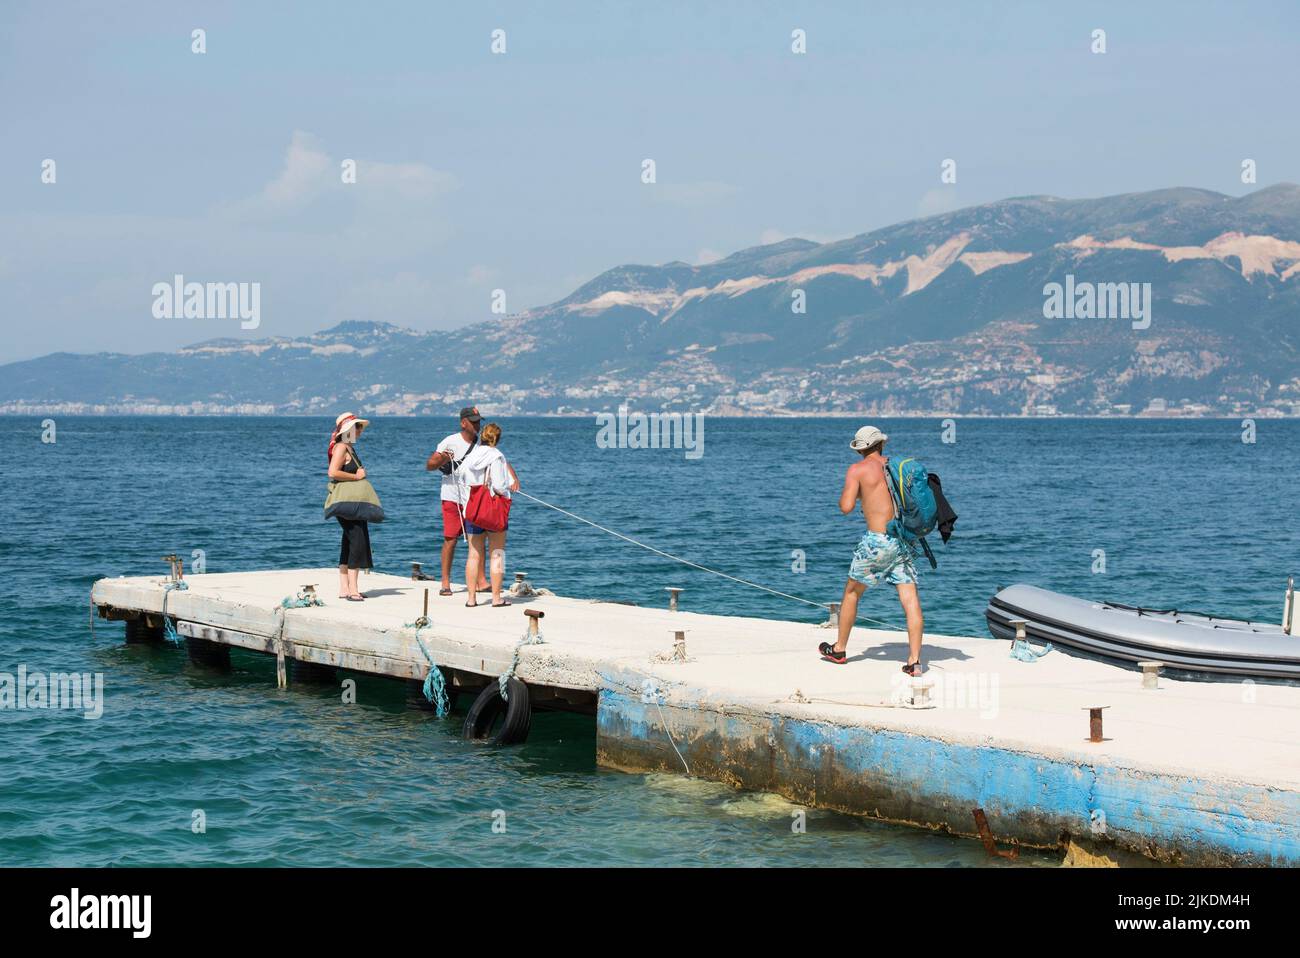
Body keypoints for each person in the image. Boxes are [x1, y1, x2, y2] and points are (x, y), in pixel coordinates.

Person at [819, 425, 925, 675]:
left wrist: (857, 496)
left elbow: (845, 507)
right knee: (910, 600)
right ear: (881, 444)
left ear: (860, 449)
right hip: (902, 540)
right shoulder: (896, 467)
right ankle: (915, 661)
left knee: (852, 594)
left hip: (876, 542)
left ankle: (839, 649)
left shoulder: (857, 470)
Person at [425, 406, 488, 596]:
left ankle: (481, 581)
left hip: (473, 498)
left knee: (477, 540)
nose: (477, 424)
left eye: (478, 421)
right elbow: (429, 465)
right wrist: (443, 459)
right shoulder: (450, 441)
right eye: (473, 421)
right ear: (463, 423)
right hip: (451, 497)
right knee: (450, 539)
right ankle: (445, 582)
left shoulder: (482, 445)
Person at [459, 423, 520, 607]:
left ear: (482, 436)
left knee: (473, 555)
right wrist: (509, 489)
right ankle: (496, 598)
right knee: (497, 554)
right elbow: (500, 486)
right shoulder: (497, 456)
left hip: (474, 510)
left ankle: (471, 599)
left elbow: (463, 479)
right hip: (493, 511)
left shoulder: (470, 456)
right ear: (497, 438)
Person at [327, 412, 373, 601]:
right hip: (347, 502)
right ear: (348, 430)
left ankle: (345, 588)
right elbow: (333, 472)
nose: (360, 431)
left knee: (348, 542)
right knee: (357, 541)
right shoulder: (341, 448)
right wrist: (356, 476)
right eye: (357, 427)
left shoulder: (348, 448)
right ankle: (353, 589)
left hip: (352, 502)